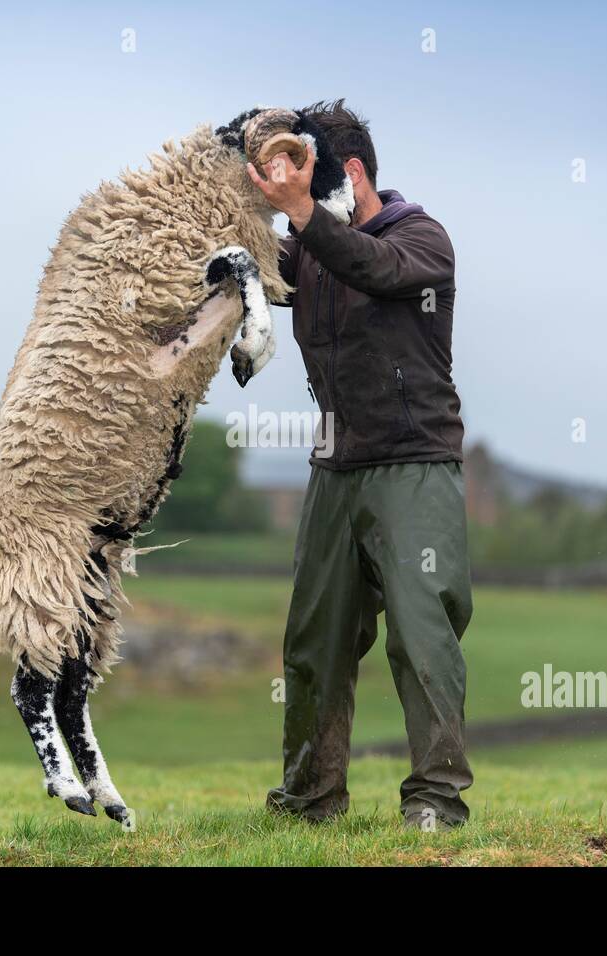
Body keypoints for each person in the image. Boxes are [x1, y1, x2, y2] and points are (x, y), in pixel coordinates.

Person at [247, 100, 473, 828]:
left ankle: (436, 801)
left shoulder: (421, 240)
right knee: (314, 639)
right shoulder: (311, 246)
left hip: (414, 464)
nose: (296, 208)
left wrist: (306, 216)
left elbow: (372, 268)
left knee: (421, 632)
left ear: (349, 172)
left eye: (308, 180)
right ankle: (310, 799)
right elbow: (255, 265)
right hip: (335, 466)